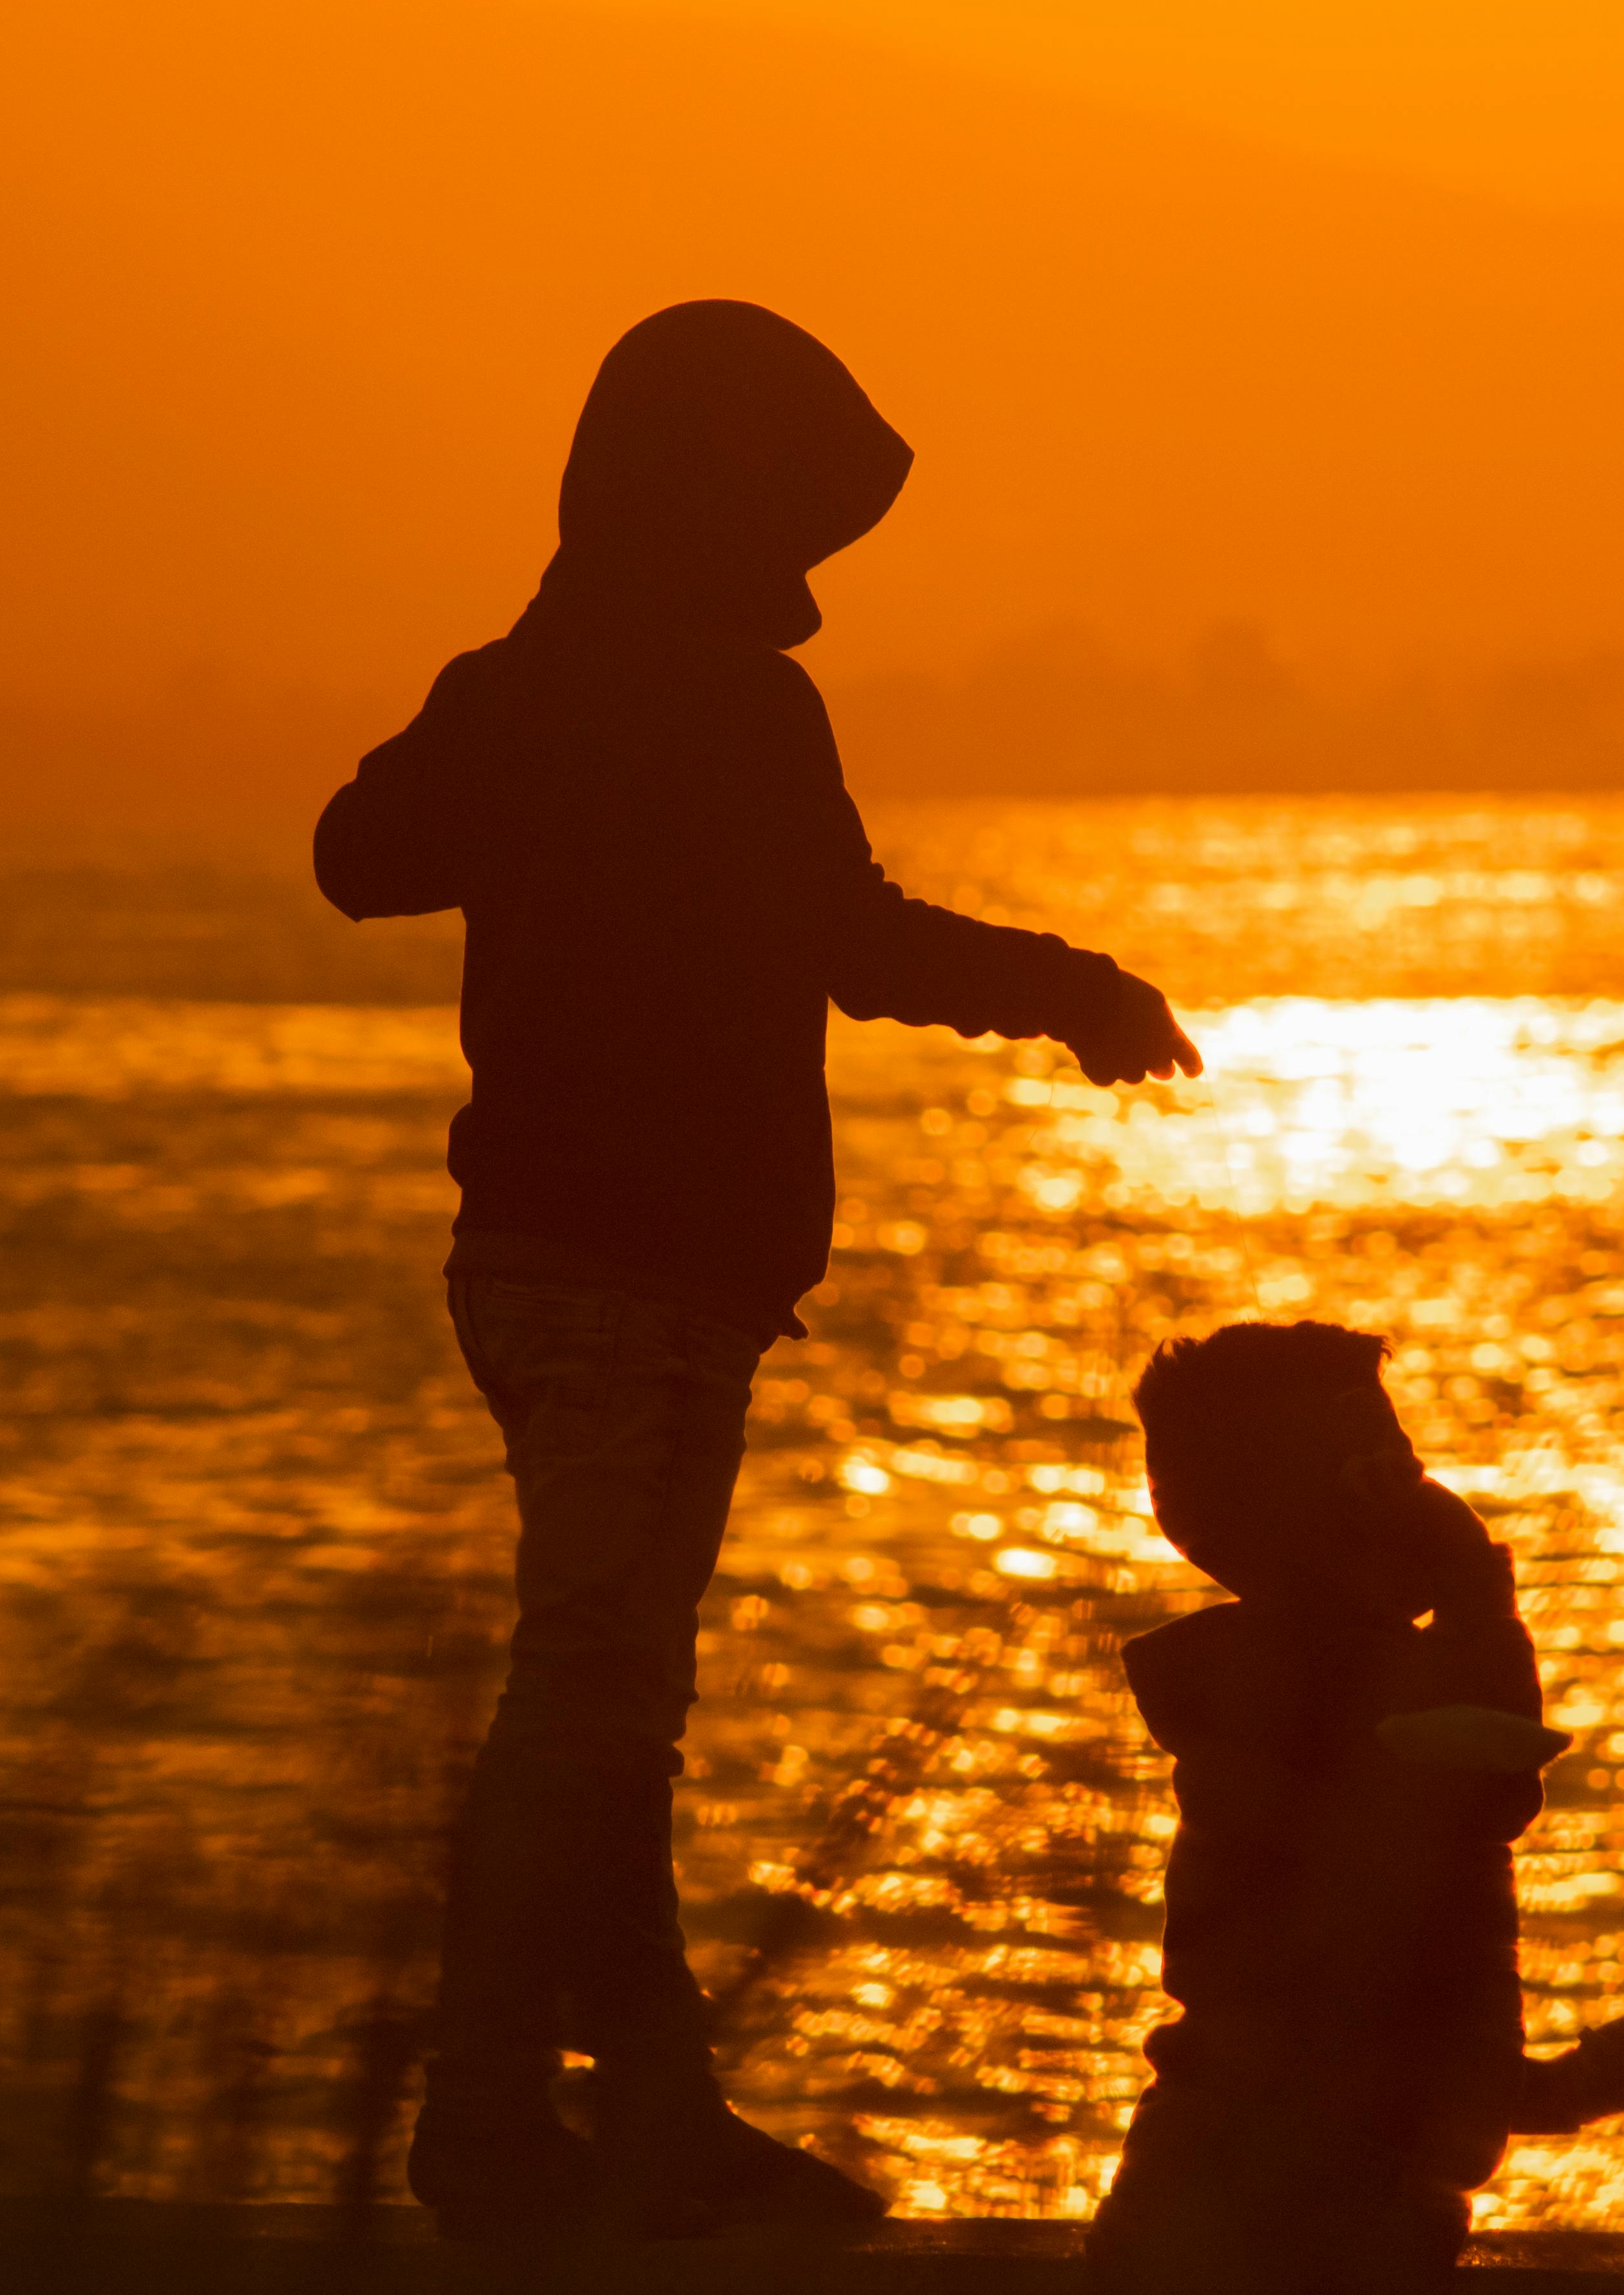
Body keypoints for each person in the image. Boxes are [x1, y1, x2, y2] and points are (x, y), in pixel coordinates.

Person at [313, 301, 1202, 2242]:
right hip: (635, 1279)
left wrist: (531, 745)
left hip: (539, 1265)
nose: (800, 564)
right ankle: (476, 2119)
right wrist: (1072, 991)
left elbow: (361, 850)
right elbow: (851, 942)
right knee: (590, 1702)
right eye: (782, 512)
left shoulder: (527, 680)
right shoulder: (716, 699)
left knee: (612, 1691)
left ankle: (650, 2110)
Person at [1087, 1324, 1624, 2292]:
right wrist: (1473, 1582)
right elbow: (1494, 1781)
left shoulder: (1276, 1693)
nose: (1418, 1488)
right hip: (1297, 2223)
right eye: (1383, 1466)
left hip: (1222, 2192)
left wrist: (1557, 2092)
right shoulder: (1326, 1700)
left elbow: (1361, 2028)